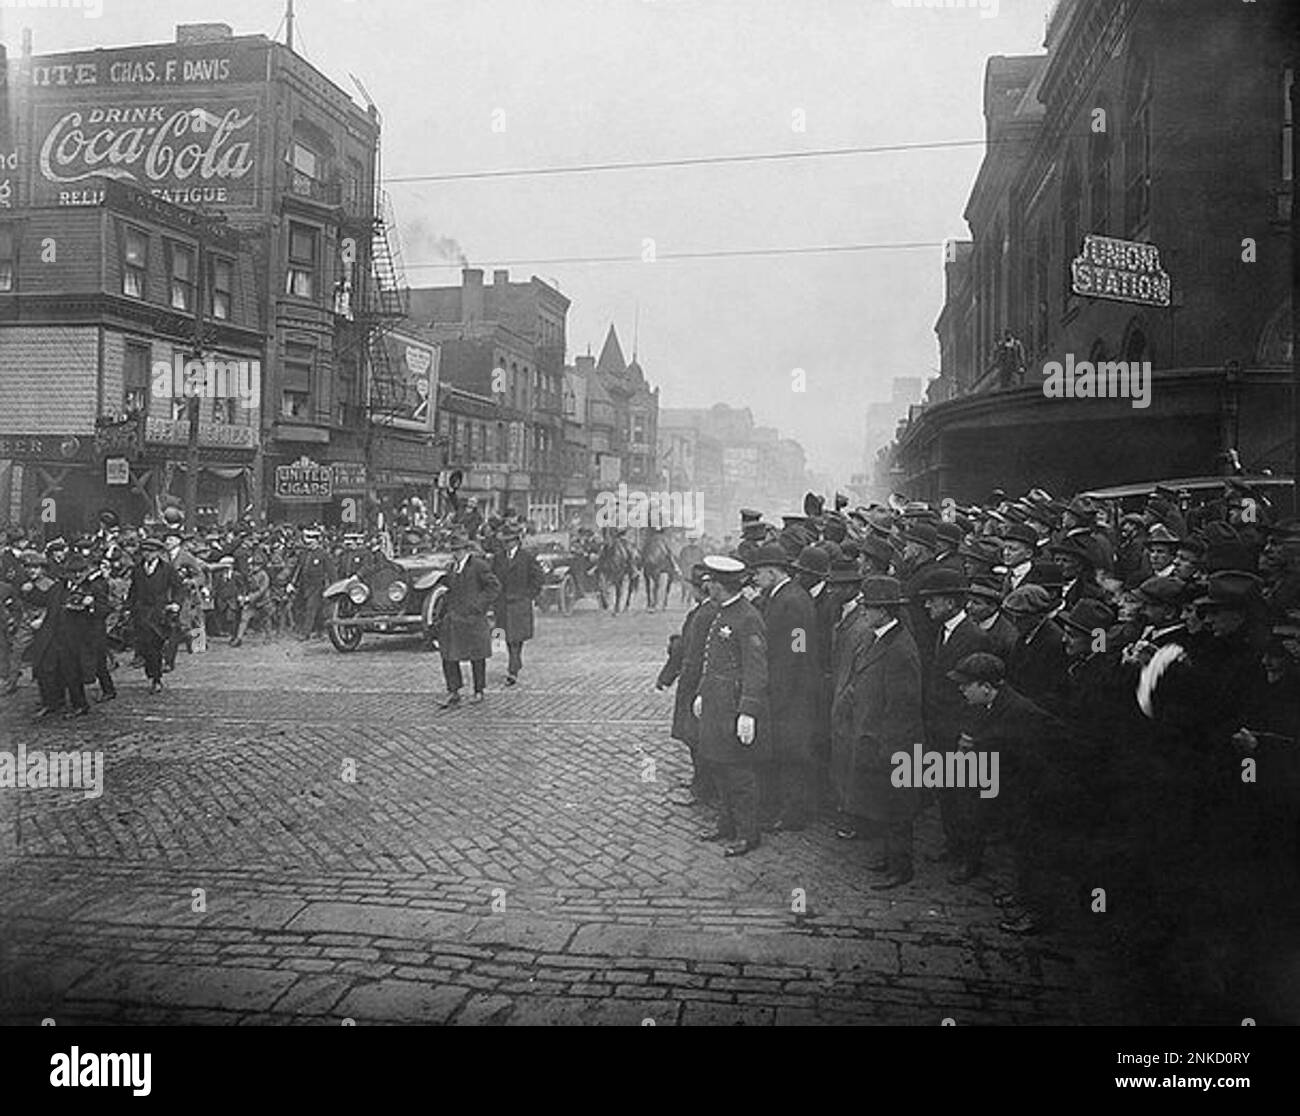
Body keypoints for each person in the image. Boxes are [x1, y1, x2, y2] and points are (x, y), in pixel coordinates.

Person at [834, 575, 925, 888]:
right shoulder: (878, 638)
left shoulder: (900, 649)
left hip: (894, 745)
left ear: (885, 612)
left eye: (868, 608)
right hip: (873, 736)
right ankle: (890, 857)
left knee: (898, 809)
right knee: (884, 804)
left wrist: (892, 751)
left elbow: (904, 708)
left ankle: (901, 868)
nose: (863, 613)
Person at [914, 568, 991, 880]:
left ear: (949, 602)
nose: (927, 607)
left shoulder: (974, 637)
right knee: (947, 793)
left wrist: (970, 733)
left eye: (932, 601)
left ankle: (971, 859)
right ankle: (954, 844)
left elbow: (980, 692)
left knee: (966, 799)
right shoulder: (941, 631)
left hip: (961, 731)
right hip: (939, 728)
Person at [692, 555, 769, 858]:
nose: (706, 586)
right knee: (719, 766)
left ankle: (748, 834)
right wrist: (702, 693)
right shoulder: (722, 612)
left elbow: (756, 668)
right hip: (717, 706)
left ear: (721, 585)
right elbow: (712, 662)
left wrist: (748, 711)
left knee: (739, 774)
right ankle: (726, 824)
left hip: (734, 708)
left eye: (710, 581)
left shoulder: (747, 618)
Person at [749, 542, 818, 833]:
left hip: (792, 692)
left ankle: (793, 815)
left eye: (759, 573)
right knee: (785, 753)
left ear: (772, 571)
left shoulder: (792, 602)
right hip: (789, 688)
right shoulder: (785, 597)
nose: (755, 579)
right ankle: (786, 810)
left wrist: (779, 693)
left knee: (793, 755)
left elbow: (796, 651)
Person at [656, 562, 717, 807]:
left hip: (696, 682)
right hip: (695, 680)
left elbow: (690, 649)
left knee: (696, 737)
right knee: (695, 736)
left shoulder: (704, 613)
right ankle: (700, 783)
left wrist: (668, 675)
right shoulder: (704, 610)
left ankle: (703, 788)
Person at [437, 531, 501, 707]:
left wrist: (478, 605)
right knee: (449, 655)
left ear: (466, 550)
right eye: (453, 550)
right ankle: (453, 691)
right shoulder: (451, 568)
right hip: (454, 618)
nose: (456, 553)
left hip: (473, 618)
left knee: (477, 656)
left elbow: (494, 587)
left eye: (459, 550)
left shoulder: (478, 566)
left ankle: (478, 691)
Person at [128, 537, 183, 693]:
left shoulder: (167, 569)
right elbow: (133, 590)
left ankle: (156, 678)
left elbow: (179, 588)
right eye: (145, 551)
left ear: (158, 553)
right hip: (141, 612)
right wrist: (129, 607)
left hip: (160, 613)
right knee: (145, 646)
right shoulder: (138, 569)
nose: (147, 555)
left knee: (155, 646)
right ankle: (152, 673)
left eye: (151, 552)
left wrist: (176, 603)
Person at [491, 522, 544, 686]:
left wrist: (528, 595)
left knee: (517, 638)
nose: (506, 545)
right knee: (505, 637)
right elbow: (492, 578)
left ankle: (512, 670)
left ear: (516, 541)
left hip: (519, 603)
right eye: (504, 542)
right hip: (502, 604)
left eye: (509, 541)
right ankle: (515, 662)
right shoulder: (498, 558)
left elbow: (538, 578)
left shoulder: (526, 558)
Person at [291, 527, 335, 640]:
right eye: (307, 541)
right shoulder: (303, 554)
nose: (309, 543)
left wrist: (333, 587)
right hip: (304, 585)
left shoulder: (323, 554)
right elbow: (298, 570)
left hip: (317, 586)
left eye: (311, 541)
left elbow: (331, 572)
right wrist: (292, 583)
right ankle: (319, 631)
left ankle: (305, 633)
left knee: (311, 608)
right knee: (314, 609)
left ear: (317, 540)